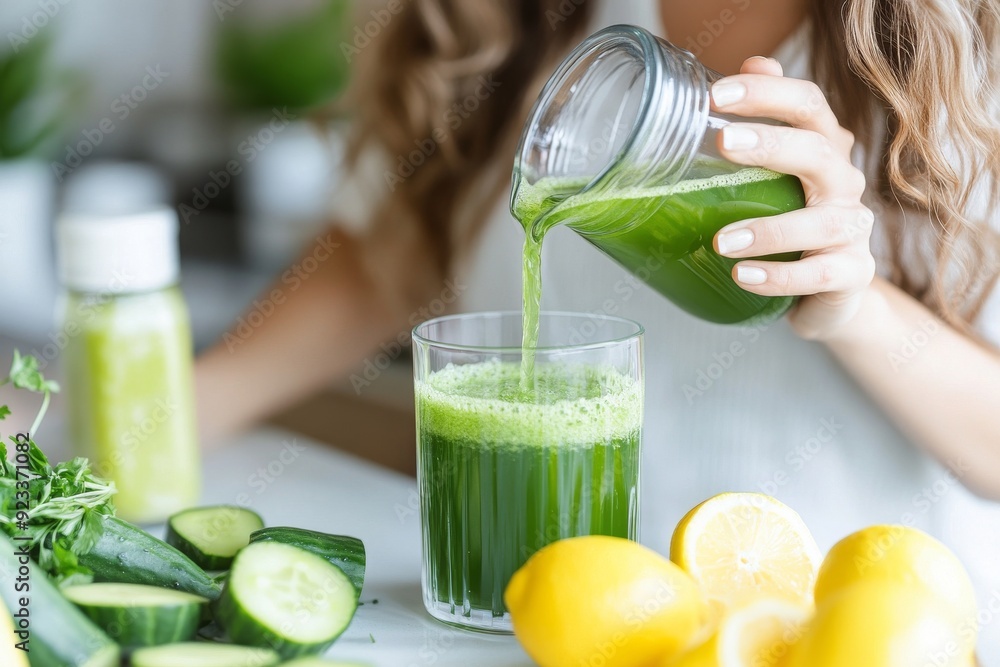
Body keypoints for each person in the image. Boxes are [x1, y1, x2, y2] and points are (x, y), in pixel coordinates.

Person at [196, 0, 1000, 654]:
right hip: (541, 628)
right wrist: (171, 413)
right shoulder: (497, 23)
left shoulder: (966, 43)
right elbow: (387, 249)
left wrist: (859, 306)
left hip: (845, 632)